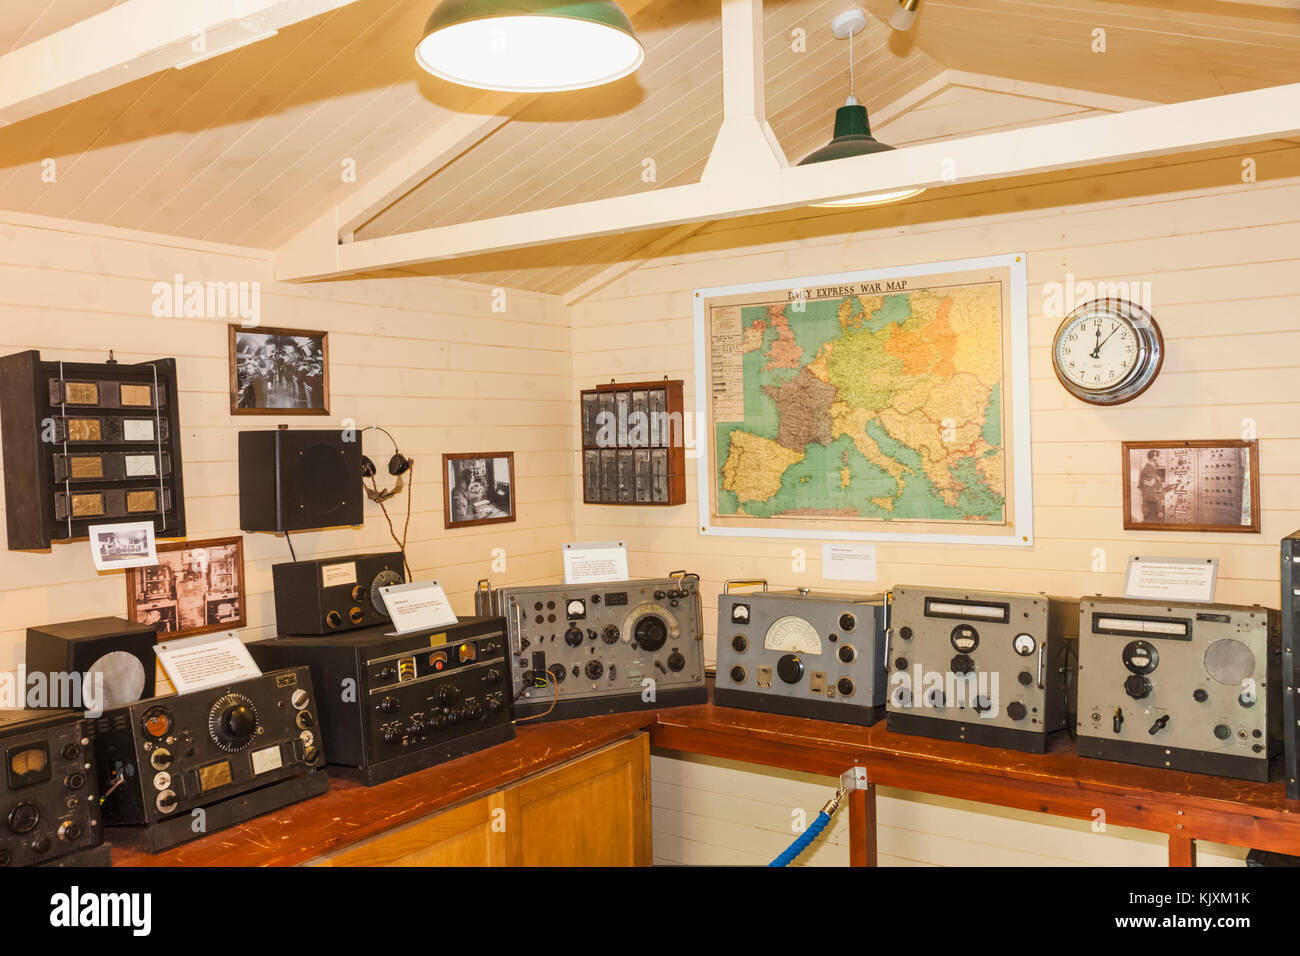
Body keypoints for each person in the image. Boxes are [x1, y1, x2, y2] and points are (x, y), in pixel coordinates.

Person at [1138, 449, 1176, 522]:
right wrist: (1159, 510)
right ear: (1154, 458)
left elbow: (1156, 489)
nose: (1162, 461)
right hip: (1151, 510)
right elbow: (1150, 494)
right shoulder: (1148, 471)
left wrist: (1169, 488)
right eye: (1161, 458)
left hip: (1153, 508)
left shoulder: (1153, 471)